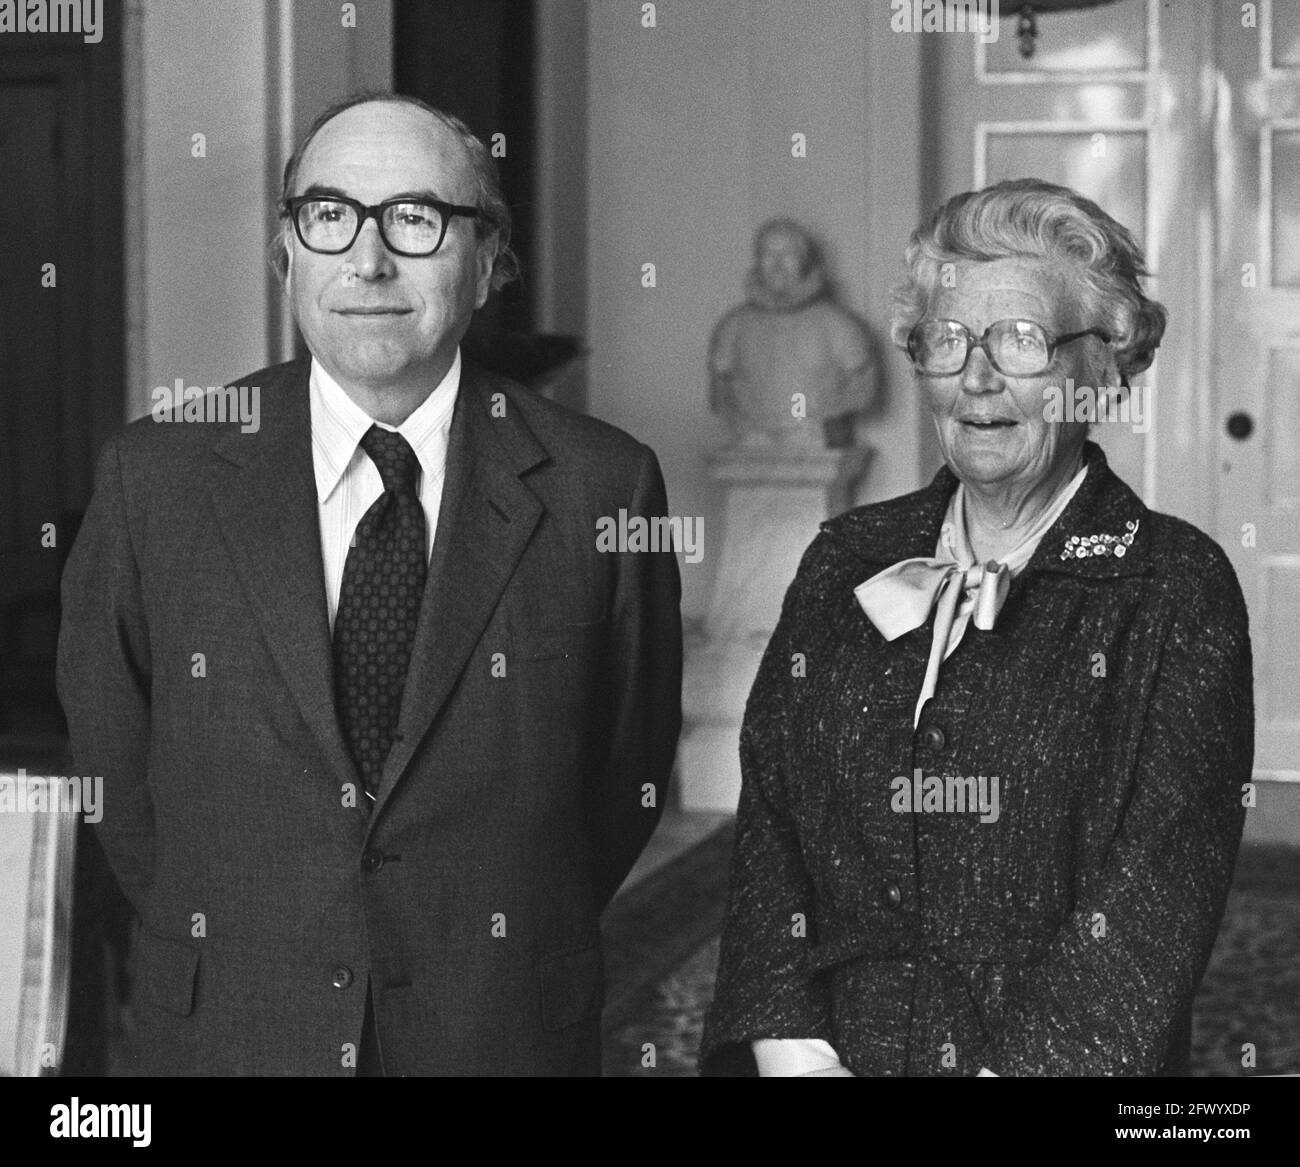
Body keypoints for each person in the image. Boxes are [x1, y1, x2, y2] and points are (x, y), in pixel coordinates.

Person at [57, 92, 682, 1076]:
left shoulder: (604, 483)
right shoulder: (157, 476)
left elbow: (625, 772)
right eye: (330, 215)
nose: (368, 259)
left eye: (416, 220)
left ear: (489, 262)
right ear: (287, 252)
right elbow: (115, 766)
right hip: (230, 1025)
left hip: (499, 1028)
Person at [701, 178, 1253, 1076]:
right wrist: (795, 1055)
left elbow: (1154, 899)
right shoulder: (844, 559)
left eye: (1024, 341)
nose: (979, 377)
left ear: (1103, 367)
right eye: (948, 341)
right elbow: (771, 820)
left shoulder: (1174, 589)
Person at [708, 218, 875, 450]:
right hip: (751, 444)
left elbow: (862, 388)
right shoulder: (734, 328)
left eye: (787, 255)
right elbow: (720, 389)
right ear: (757, 262)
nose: (777, 265)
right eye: (768, 254)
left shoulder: (838, 326)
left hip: (816, 443)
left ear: (804, 261)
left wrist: (827, 417)